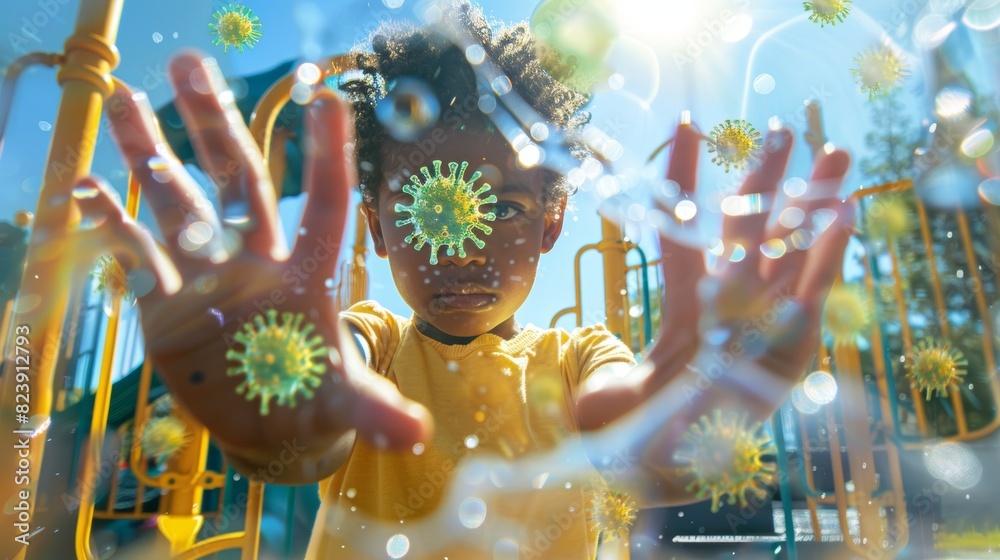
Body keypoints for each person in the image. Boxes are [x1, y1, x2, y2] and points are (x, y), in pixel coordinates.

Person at [66, 1, 854, 558]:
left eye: (504, 207)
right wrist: (273, 422)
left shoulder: (582, 351)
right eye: (419, 203)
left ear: (553, 219)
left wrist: (672, 421)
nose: (461, 246)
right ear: (374, 222)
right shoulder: (367, 343)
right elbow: (307, 441)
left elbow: (622, 425)